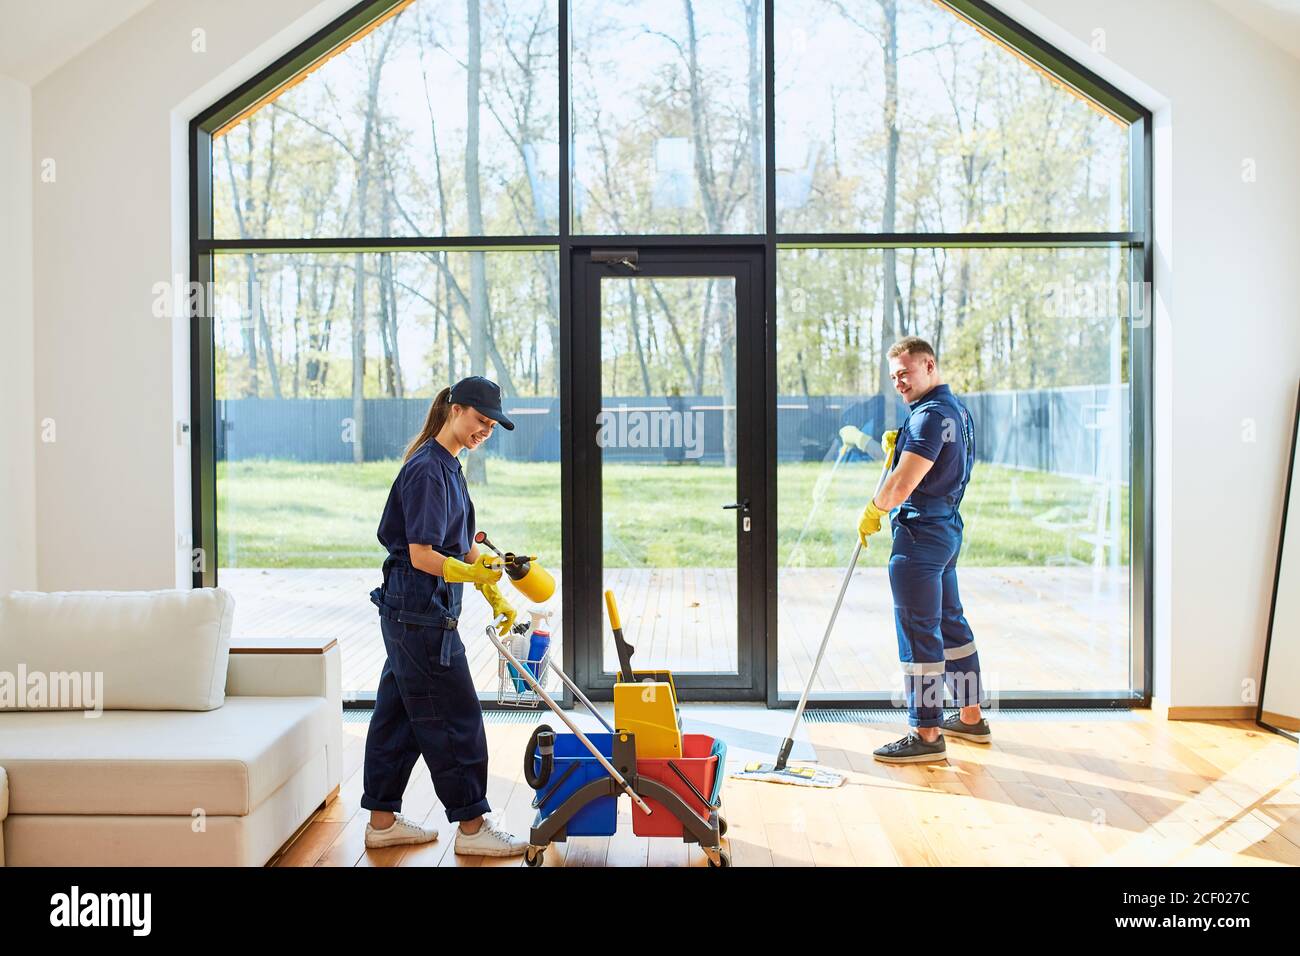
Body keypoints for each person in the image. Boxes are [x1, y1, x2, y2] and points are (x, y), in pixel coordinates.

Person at [361, 375, 528, 855]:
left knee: (399, 715)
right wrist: (470, 575)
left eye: (492, 426)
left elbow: (459, 546)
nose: (485, 430)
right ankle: (473, 828)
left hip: (415, 610)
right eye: (480, 420)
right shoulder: (427, 470)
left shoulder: (451, 466)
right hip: (419, 612)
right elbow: (421, 554)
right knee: (456, 716)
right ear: (455, 409)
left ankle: (381, 821)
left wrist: (492, 577)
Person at [853, 337, 990, 763]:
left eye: (905, 373)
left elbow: (899, 488)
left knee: (918, 635)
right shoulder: (956, 412)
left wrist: (873, 510)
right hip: (947, 531)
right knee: (951, 626)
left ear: (928, 365)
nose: (899, 382)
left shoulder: (929, 418)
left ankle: (926, 732)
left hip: (918, 540)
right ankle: (970, 717)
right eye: (894, 376)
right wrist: (901, 446)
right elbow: (938, 463)